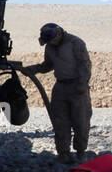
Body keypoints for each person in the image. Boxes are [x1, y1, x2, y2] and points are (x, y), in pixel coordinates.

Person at [25, 22, 92, 164]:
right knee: (60, 121)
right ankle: (63, 154)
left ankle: (81, 153)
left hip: (77, 87)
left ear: (59, 34)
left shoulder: (76, 43)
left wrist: (82, 85)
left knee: (81, 121)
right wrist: (33, 69)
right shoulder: (50, 46)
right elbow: (48, 65)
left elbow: (84, 66)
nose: (51, 43)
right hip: (60, 87)